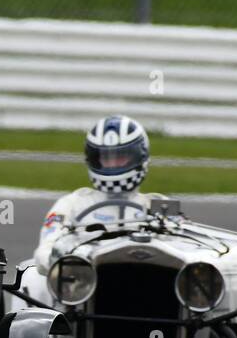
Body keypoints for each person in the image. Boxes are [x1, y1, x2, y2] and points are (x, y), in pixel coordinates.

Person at [19, 115, 154, 304]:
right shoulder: (72, 204)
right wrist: (69, 265)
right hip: (82, 290)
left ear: (140, 157)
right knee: (31, 275)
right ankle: (42, 332)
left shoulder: (157, 208)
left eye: (120, 157)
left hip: (145, 289)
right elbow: (46, 249)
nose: (113, 164)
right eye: (106, 158)